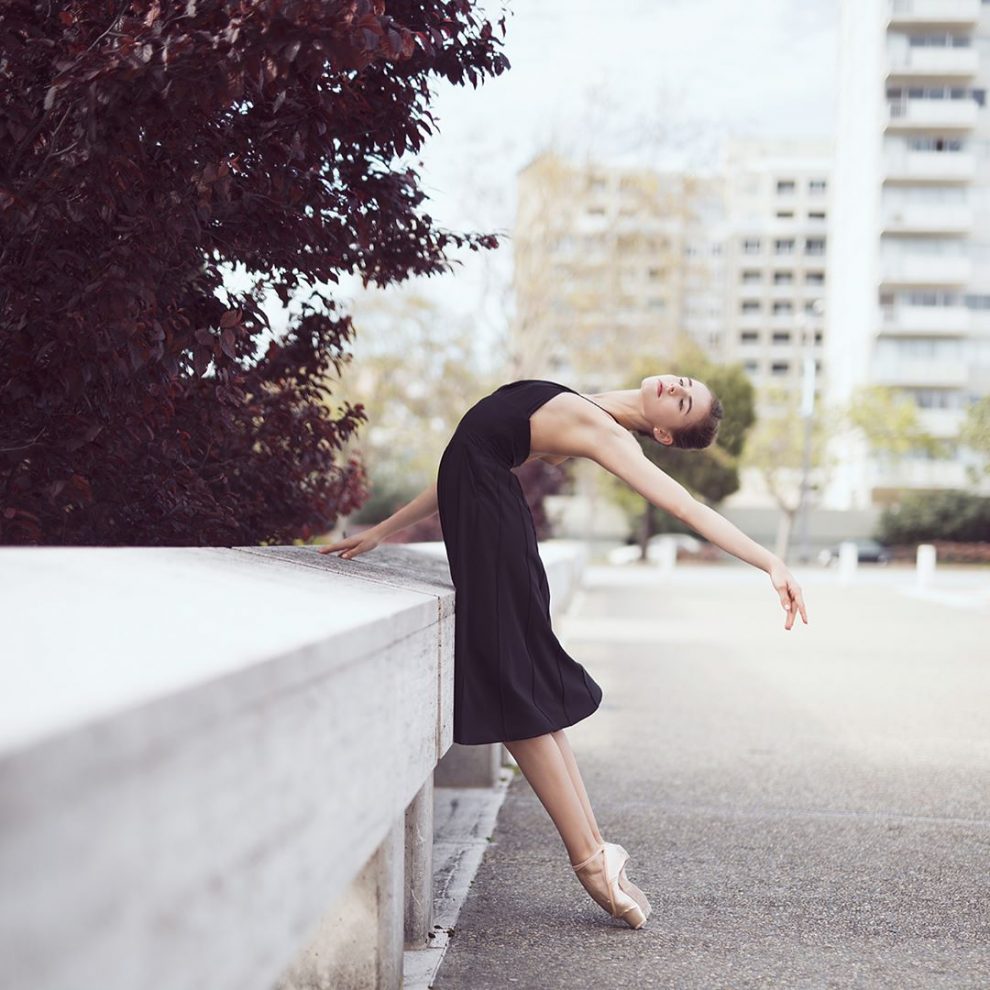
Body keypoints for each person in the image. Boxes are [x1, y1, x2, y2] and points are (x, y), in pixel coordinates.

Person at [318, 375, 808, 930]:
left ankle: (591, 862)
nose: (674, 386)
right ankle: (597, 850)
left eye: (683, 402)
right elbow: (462, 458)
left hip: (494, 537)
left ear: (665, 435)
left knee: (516, 696)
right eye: (684, 383)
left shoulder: (606, 433)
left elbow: (686, 506)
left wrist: (769, 561)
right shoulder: (584, 403)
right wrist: (383, 529)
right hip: (489, 528)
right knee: (527, 696)